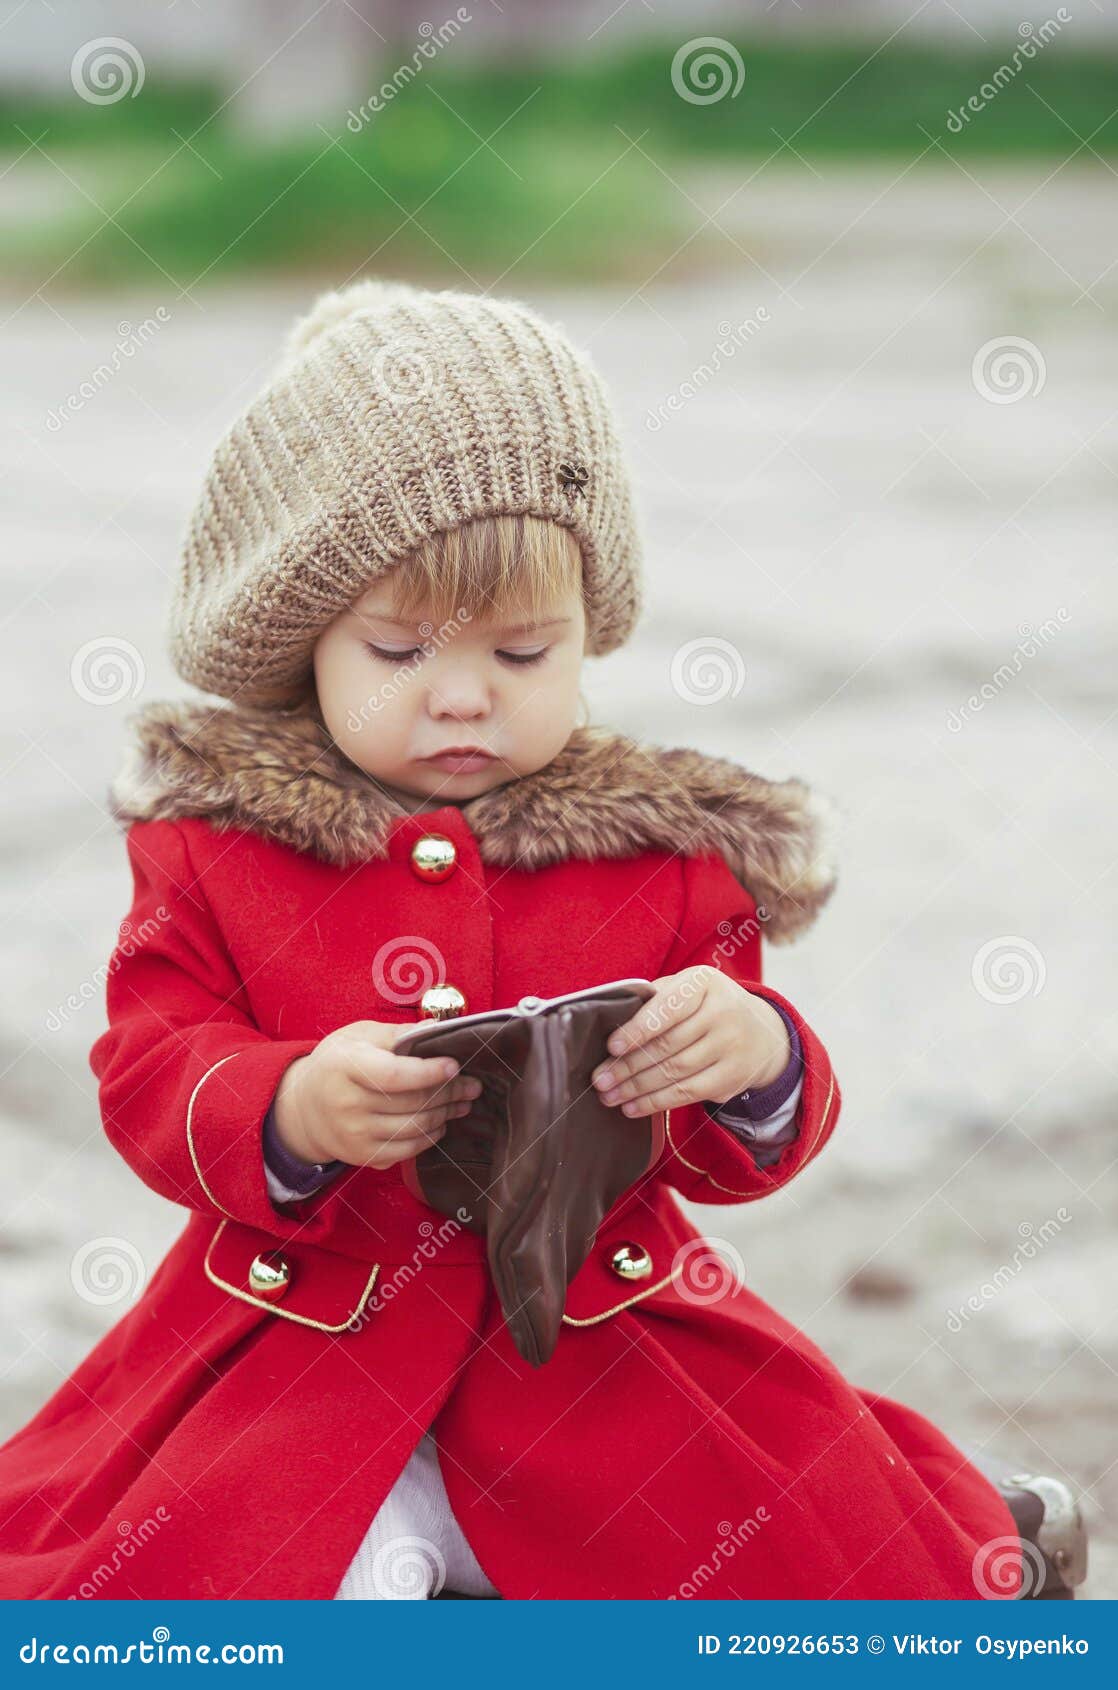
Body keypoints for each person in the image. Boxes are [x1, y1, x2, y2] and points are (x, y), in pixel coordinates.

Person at [0, 280, 1024, 1601]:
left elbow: (728, 1151)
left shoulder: (657, 851)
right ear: (300, 641)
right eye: (399, 647)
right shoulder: (219, 847)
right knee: (212, 1573)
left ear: (586, 636)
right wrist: (290, 1101)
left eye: (525, 650)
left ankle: (964, 1517)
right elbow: (149, 1067)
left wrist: (749, 1054)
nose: (466, 693)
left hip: (597, 1360)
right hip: (300, 1358)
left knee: (810, 1539)